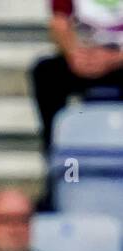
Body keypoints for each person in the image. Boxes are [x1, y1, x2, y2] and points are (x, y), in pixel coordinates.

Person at [31, 1, 123, 152]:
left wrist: (114, 59)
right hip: (83, 55)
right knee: (46, 72)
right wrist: (74, 55)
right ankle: (56, 151)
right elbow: (59, 22)